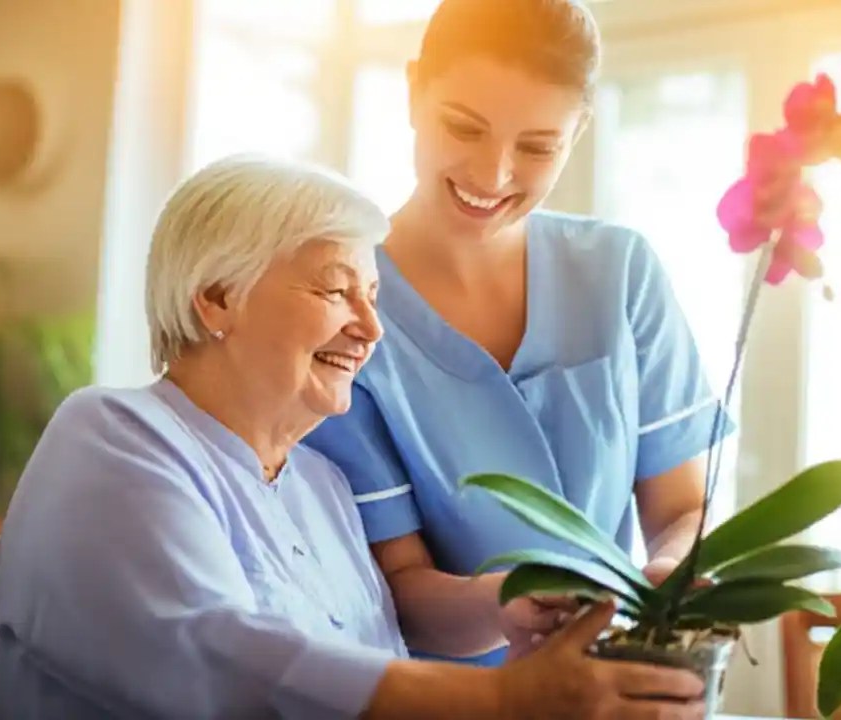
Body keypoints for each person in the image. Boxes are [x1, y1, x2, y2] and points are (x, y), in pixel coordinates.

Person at [0, 155, 707, 719]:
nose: (371, 327)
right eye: (333, 289)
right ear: (218, 299)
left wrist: (505, 605)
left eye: (374, 294)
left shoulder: (320, 487)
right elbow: (222, 659)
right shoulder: (112, 435)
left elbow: (366, 659)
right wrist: (505, 699)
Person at [304, 0, 734, 665]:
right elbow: (396, 593)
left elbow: (681, 509)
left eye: (536, 146)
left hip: (607, 693)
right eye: (463, 127)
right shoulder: (345, 308)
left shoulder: (620, 273)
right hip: (444, 705)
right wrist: (504, 607)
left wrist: (670, 570)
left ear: (579, 129)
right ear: (415, 89)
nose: (493, 174)